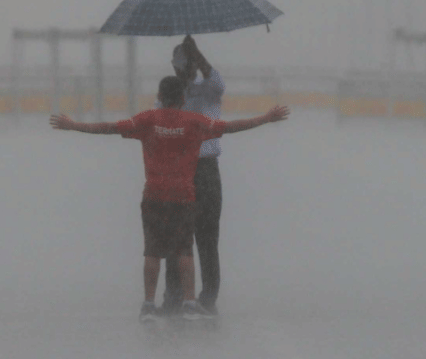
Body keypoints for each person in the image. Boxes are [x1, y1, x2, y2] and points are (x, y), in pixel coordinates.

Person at [49, 75, 288, 323]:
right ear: (183, 98)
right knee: (184, 251)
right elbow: (229, 127)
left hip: (154, 195)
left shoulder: (147, 120)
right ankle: (189, 303)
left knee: (152, 252)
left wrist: (73, 125)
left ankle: (149, 305)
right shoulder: (195, 122)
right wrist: (265, 119)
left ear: (160, 97)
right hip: (183, 197)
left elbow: (108, 128)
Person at [162, 35, 225, 315]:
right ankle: (173, 297)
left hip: (207, 168)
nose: (187, 71)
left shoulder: (209, 88)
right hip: (180, 170)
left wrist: (197, 53)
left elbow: (217, 82)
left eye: (190, 65)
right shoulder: (169, 95)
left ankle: (208, 297)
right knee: (177, 237)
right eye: (183, 66)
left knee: (207, 238)